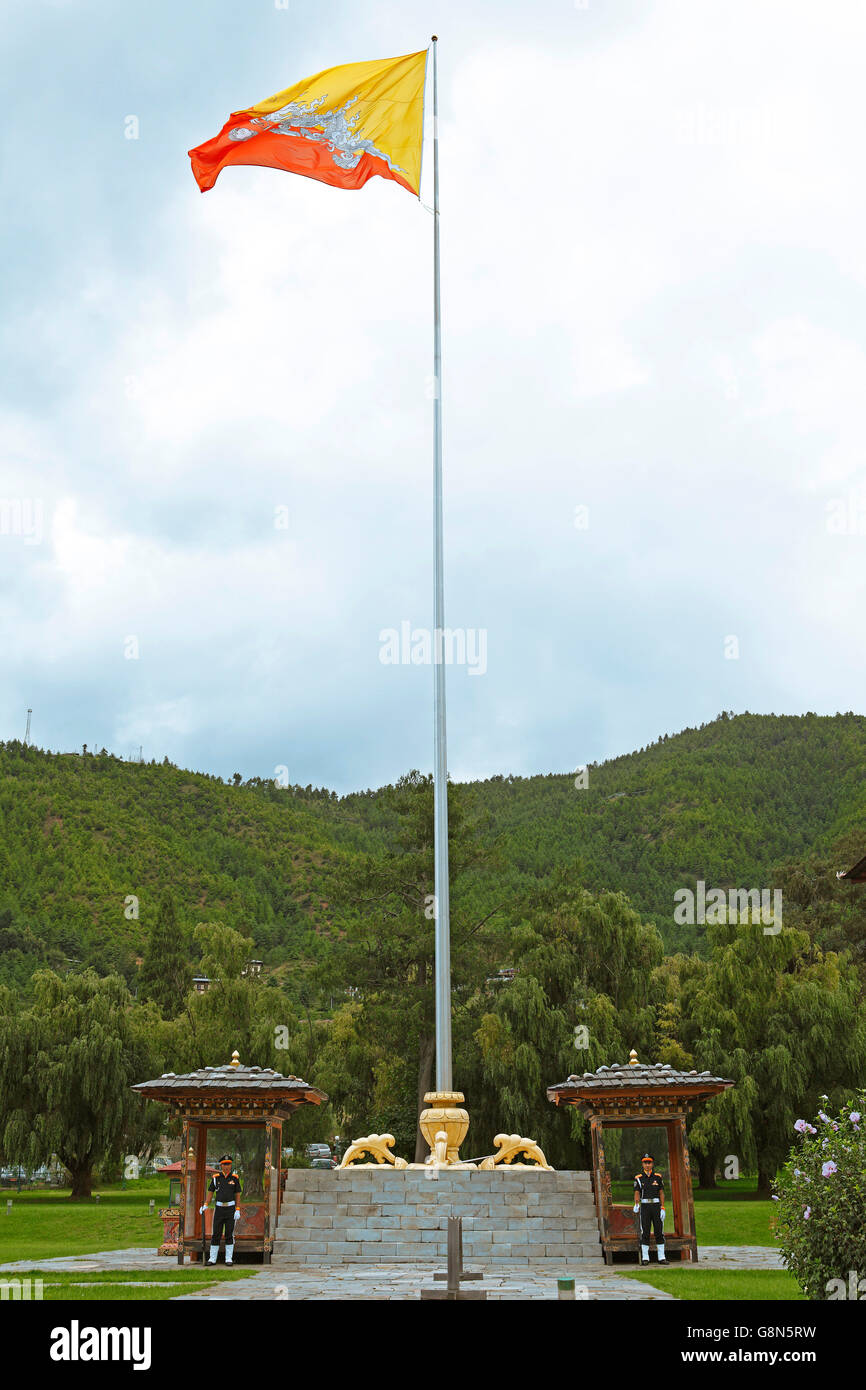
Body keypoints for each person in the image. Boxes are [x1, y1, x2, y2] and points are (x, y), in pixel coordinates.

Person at [200, 1154, 242, 1265]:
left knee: (229, 1233)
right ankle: (212, 1259)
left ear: (231, 1165)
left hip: (231, 1208)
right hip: (219, 1208)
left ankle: (228, 1259)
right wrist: (206, 1204)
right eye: (224, 1164)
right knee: (216, 1233)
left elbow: (237, 1194)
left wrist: (237, 1209)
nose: (227, 1166)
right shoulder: (216, 1178)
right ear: (221, 1165)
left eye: (228, 1164)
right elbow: (210, 1192)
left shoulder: (234, 1178)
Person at [633, 1152, 666, 1265]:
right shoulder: (639, 1178)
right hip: (645, 1207)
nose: (647, 1165)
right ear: (642, 1164)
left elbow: (661, 1193)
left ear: (652, 1163)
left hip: (656, 1206)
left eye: (649, 1162)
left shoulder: (658, 1177)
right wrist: (637, 1204)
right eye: (645, 1163)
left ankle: (661, 1257)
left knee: (659, 1231)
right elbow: (637, 1192)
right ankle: (645, 1258)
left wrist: (663, 1207)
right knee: (645, 1231)